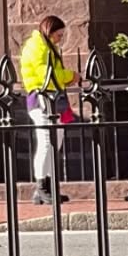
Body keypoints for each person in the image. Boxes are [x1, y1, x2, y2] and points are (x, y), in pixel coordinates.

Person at [20, 14, 75, 207]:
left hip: (53, 98)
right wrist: (70, 76)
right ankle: (41, 185)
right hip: (41, 98)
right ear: (49, 32)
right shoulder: (37, 47)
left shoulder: (47, 47)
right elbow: (47, 74)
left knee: (55, 142)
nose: (60, 38)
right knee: (45, 141)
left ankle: (48, 186)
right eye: (58, 34)